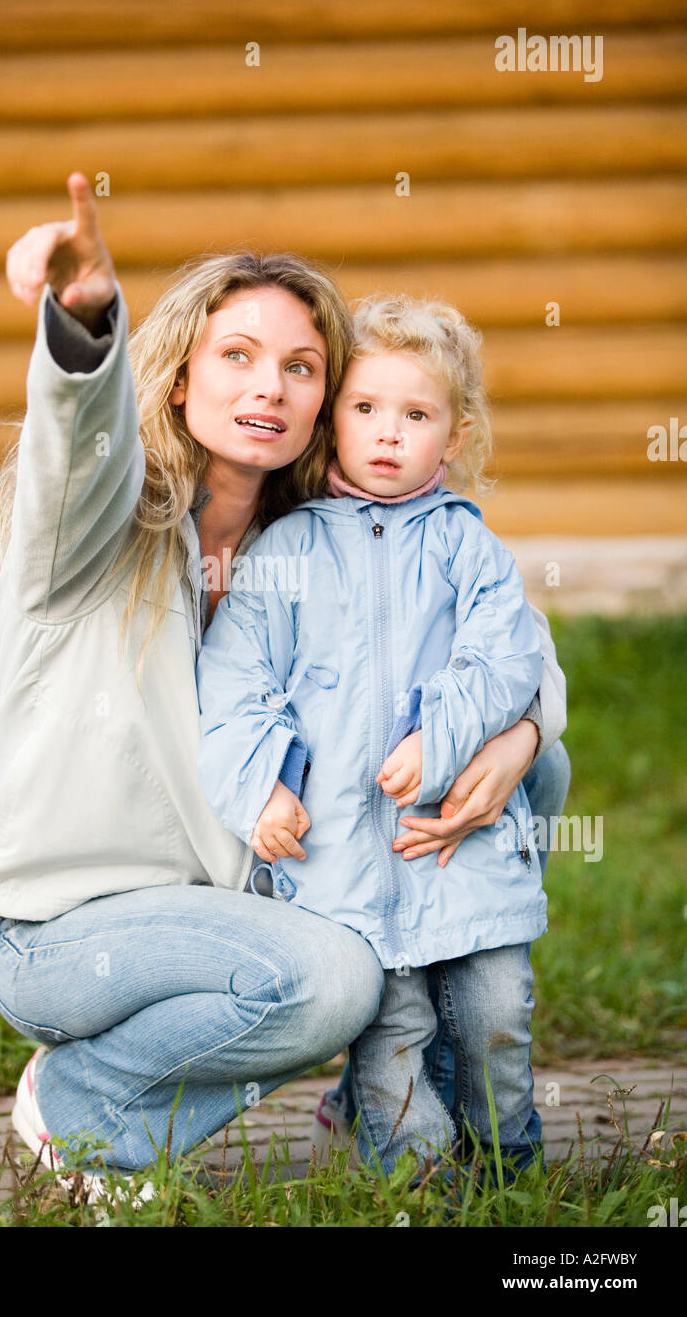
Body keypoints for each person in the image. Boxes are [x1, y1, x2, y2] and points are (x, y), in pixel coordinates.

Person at [0, 173, 568, 1187]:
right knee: (331, 979)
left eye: (299, 366)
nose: (268, 387)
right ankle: (84, 1102)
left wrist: (513, 738)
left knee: (533, 775)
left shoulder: (308, 543)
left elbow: (509, 634)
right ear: (177, 377)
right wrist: (83, 330)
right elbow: (81, 450)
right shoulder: (89, 536)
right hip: (71, 930)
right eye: (235, 356)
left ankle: (383, 1092)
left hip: (228, 898)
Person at [196, 294, 554, 1176]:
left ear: (455, 436)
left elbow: (507, 657)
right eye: (365, 409)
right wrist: (262, 785)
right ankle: (414, 1176)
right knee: (391, 1032)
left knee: (495, 1015)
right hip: (345, 869)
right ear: (333, 422)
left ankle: (509, 1169)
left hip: (456, 855)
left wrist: (445, 735)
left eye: (416, 414)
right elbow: (235, 684)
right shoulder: (284, 553)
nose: (388, 433)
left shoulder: (473, 551)